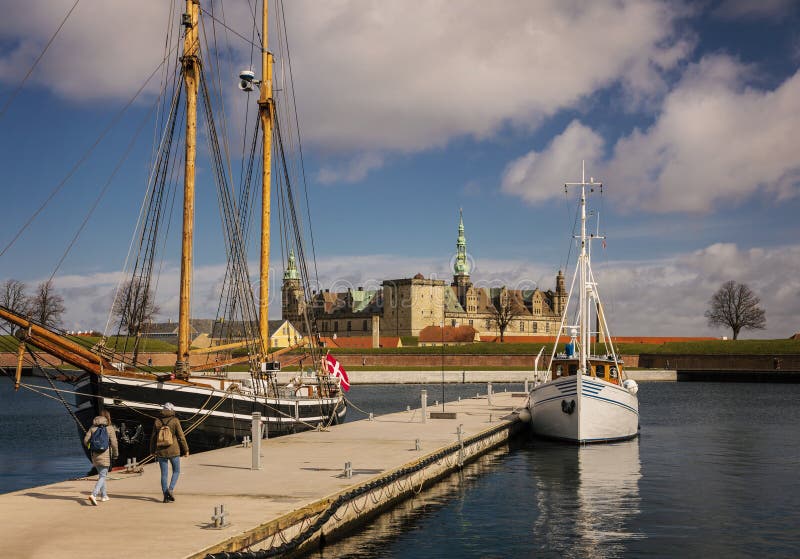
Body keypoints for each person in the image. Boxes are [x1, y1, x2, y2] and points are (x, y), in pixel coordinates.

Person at [150, 402, 189, 503]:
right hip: (174, 451)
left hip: (161, 452)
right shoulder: (175, 420)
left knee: (164, 474)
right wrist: (186, 450)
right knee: (176, 471)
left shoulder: (157, 421)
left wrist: (152, 451)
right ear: (172, 410)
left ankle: (165, 495)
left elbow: (153, 438)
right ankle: (170, 490)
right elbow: (181, 436)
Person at [83, 409, 118, 506]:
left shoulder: (92, 427)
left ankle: (104, 496)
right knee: (103, 476)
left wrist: (91, 446)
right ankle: (93, 494)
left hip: (95, 455)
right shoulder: (110, 428)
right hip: (105, 455)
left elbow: (85, 441)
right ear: (108, 417)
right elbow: (114, 443)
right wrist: (116, 454)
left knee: (101, 475)